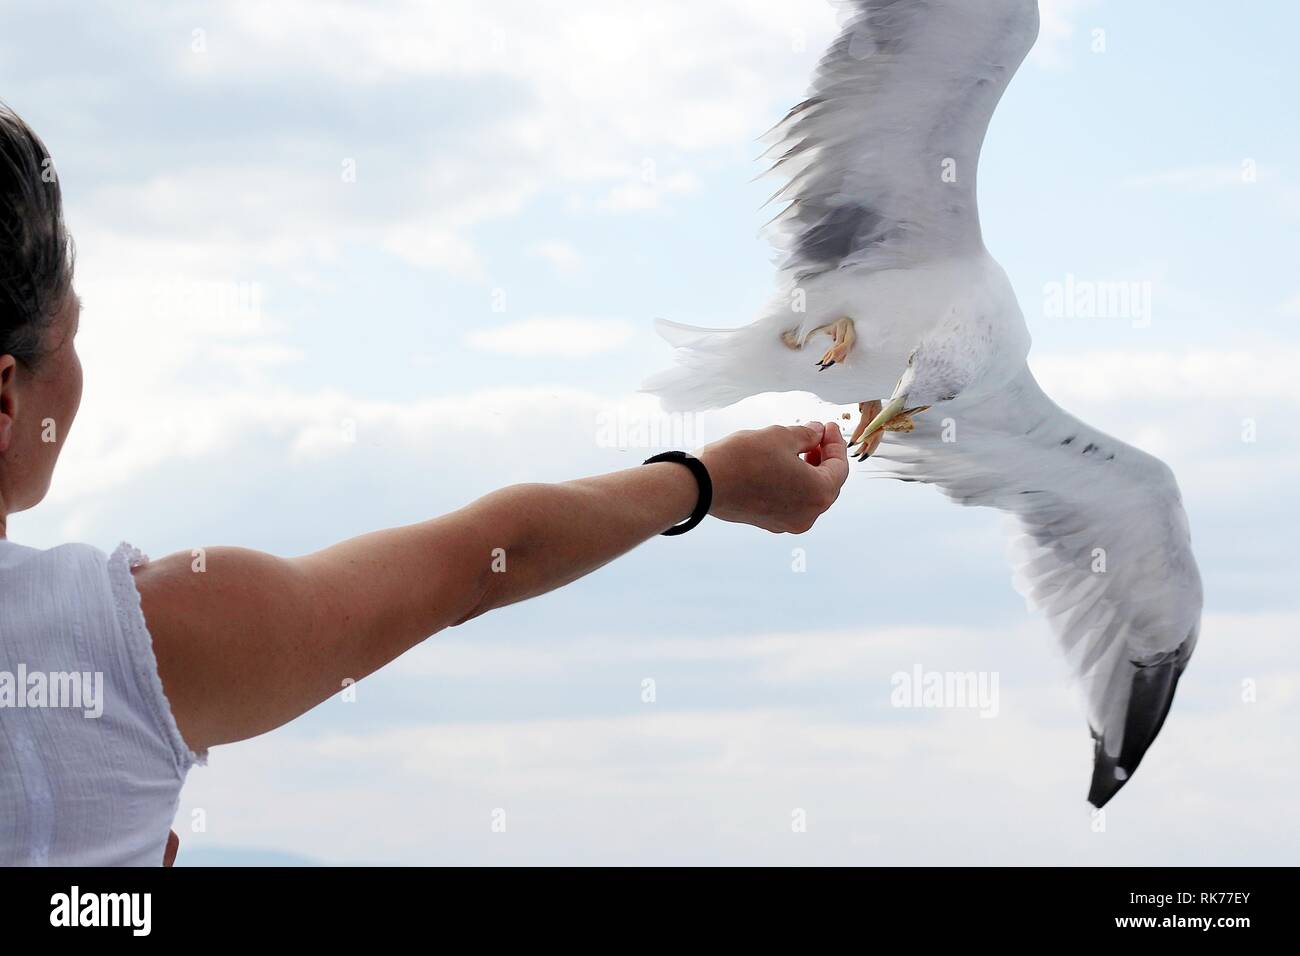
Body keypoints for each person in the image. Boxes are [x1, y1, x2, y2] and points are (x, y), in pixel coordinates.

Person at [0, 102, 850, 866]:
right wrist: (710, 481)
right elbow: (491, 556)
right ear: (7, 395)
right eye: (69, 335)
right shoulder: (130, 639)